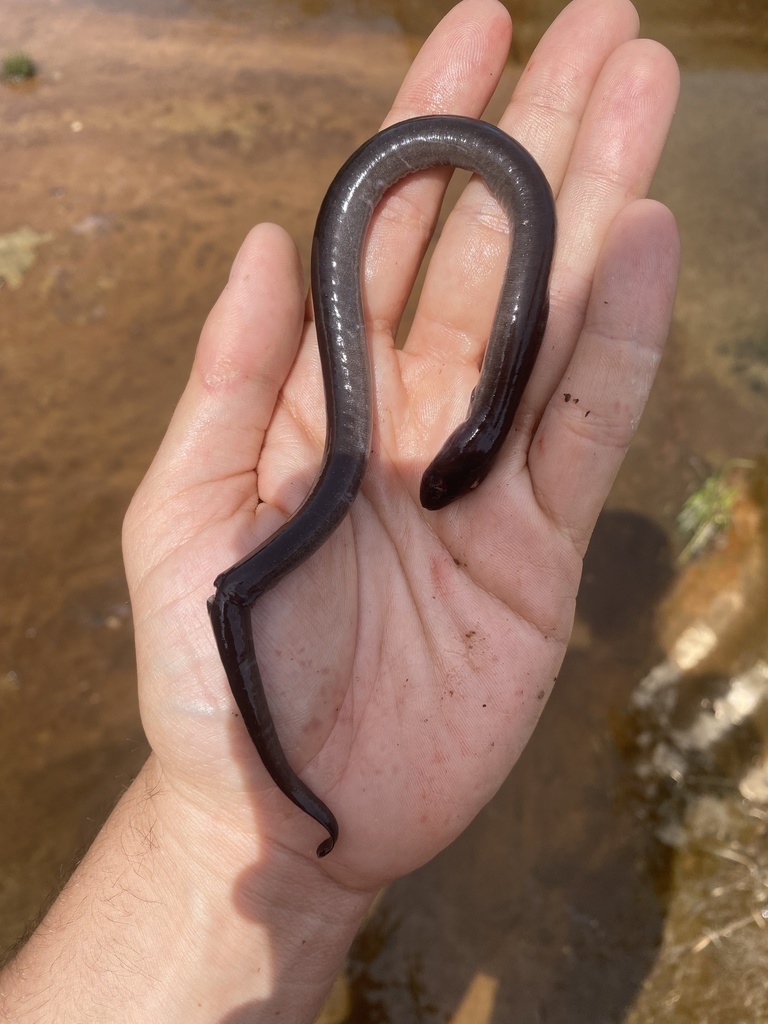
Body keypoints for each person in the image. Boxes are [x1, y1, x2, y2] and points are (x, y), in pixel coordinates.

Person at [0, 0, 680, 1019]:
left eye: (453, 462)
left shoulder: (466, 443)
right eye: (453, 461)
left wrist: (247, 851)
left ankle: (256, 637)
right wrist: (229, 833)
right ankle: (250, 626)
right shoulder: (430, 448)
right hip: (431, 341)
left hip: (466, 385)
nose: (436, 476)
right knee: (336, 476)